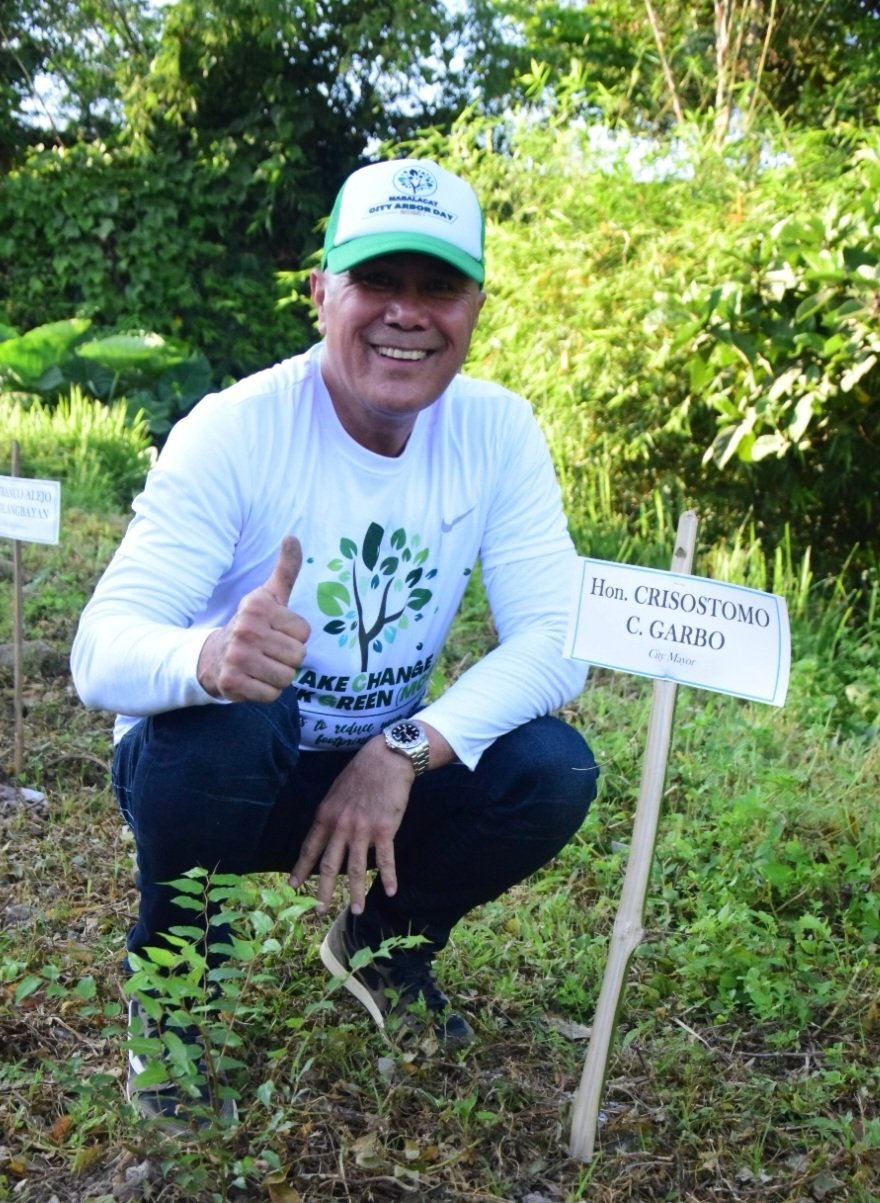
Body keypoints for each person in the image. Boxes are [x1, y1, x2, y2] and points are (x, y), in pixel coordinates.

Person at [71, 157, 599, 1125]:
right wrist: (206, 658)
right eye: (376, 282)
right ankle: (172, 989)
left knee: (552, 769)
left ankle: (385, 941)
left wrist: (404, 750)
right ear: (321, 293)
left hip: (372, 782)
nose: (408, 313)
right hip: (224, 769)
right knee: (232, 723)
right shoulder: (233, 431)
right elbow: (97, 651)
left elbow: (560, 640)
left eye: (437, 286)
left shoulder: (498, 431)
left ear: (475, 306)